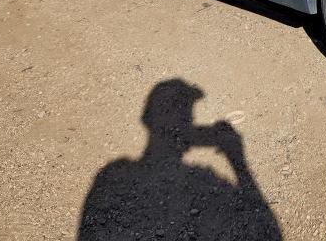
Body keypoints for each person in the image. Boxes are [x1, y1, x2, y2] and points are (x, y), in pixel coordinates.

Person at [78, 79, 281, 240]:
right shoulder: (205, 179)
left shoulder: (111, 175)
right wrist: (237, 159)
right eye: (184, 114)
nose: (190, 120)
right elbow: (269, 231)